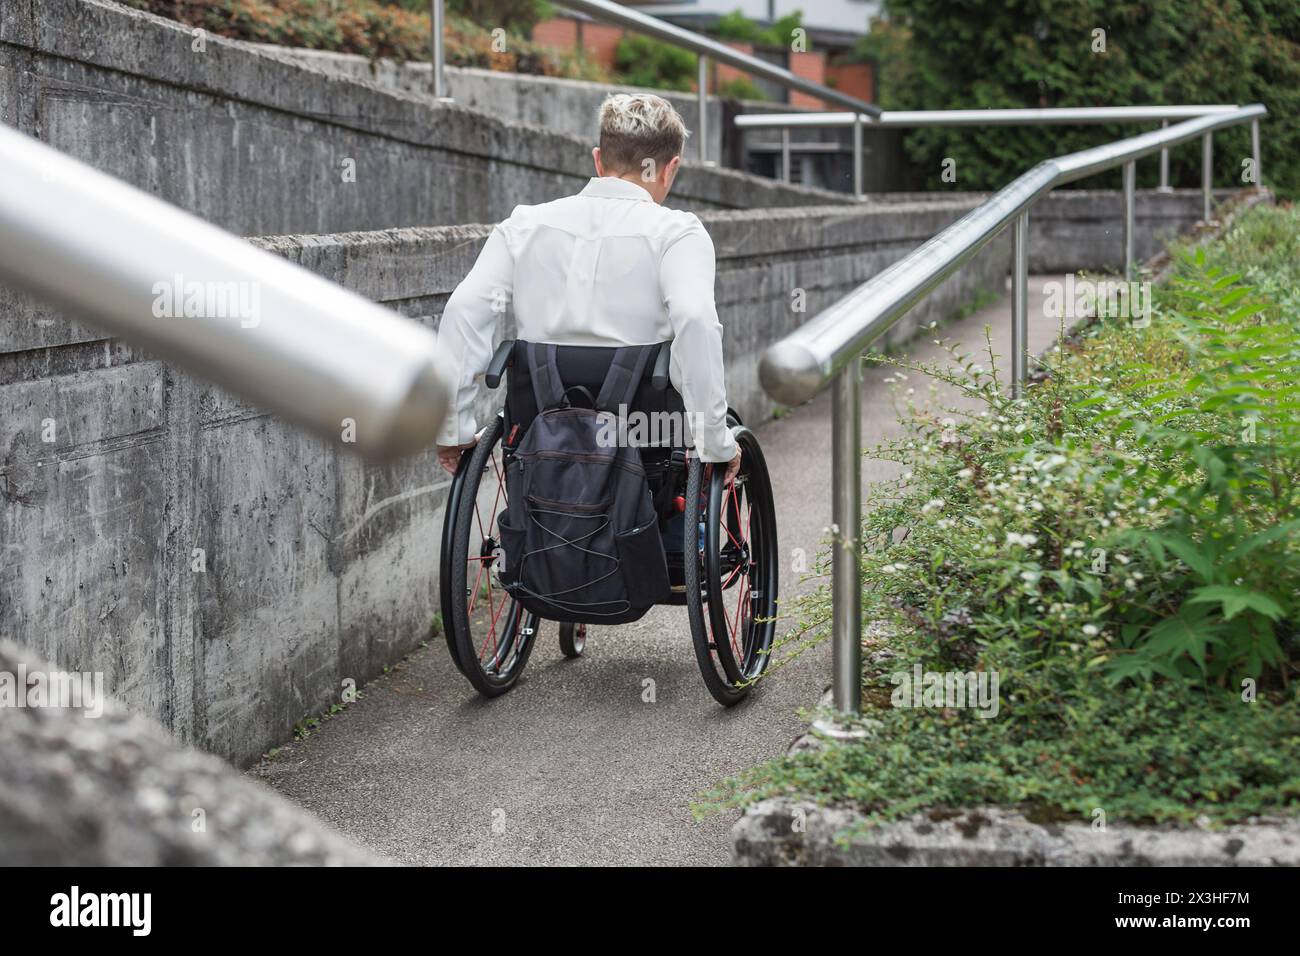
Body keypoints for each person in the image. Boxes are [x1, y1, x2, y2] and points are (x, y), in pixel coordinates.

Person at [434, 92, 741, 483]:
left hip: (538, 432)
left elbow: (463, 311)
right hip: (647, 434)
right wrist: (714, 442)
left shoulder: (524, 225)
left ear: (598, 159)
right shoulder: (677, 234)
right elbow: (696, 321)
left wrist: (452, 428)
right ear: (670, 168)